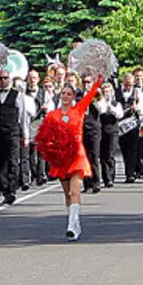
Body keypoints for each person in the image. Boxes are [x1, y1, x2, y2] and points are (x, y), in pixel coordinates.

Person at [35, 76, 102, 241]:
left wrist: (99, 79)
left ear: (73, 96)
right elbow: (45, 135)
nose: (65, 96)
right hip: (61, 157)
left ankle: (72, 226)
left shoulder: (78, 110)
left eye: (69, 94)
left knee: (74, 191)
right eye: (63, 93)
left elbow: (90, 94)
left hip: (76, 155)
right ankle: (75, 222)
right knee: (67, 194)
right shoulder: (52, 115)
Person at [0, 68, 28, 203]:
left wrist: (25, 135)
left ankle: (11, 189)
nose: (3, 81)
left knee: (13, 160)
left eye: (5, 78)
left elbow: (23, 116)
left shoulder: (17, 95)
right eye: (0, 78)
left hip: (12, 132)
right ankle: (4, 187)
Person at [117, 72, 143, 183]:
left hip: (133, 123)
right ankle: (130, 170)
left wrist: (138, 108)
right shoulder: (117, 92)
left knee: (133, 149)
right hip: (121, 123)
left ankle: (130, 174)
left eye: (130, 84)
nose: (128, 86)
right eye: (126, 84)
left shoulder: (137, 92)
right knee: (124, 149)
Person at [97, 82, 124, 188]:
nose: (106, 94)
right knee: (103, 155)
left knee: (110, 154)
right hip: (102, 129)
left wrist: (110, 106)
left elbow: (119, 114)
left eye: (107, 91)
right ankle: (105, 177)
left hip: (113, 130)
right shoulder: (100, 103)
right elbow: (100, 110)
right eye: (104, 92)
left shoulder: (116, 103)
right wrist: (102, 101)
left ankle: (111, 177)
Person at [81, 73, 104, 194]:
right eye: (84, 82)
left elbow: (102, 109)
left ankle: (96, 182)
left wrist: (94, 98)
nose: (86, 85)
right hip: (81, 129)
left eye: (88, 82)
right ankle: (87, 183)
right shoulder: (78, 95)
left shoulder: (97, 95)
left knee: (94, 156)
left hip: (94, 128)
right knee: (83, 157)